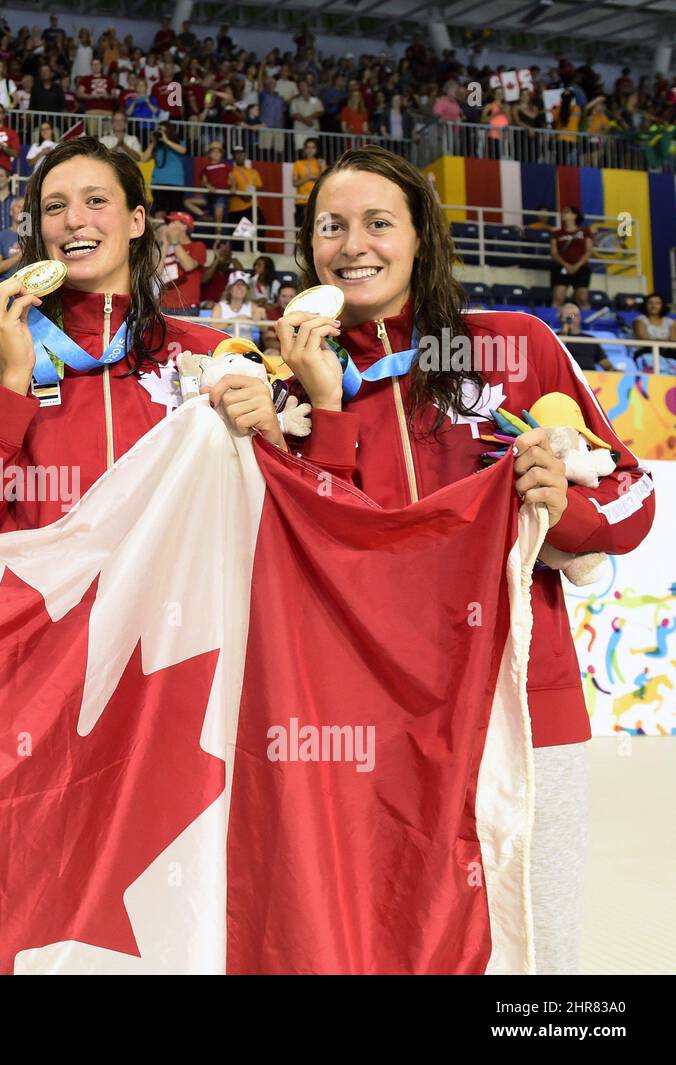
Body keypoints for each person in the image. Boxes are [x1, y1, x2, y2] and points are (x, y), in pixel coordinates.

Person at [280, 145, 654, 975]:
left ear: (422, 238)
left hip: (524, 706)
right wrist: (329, 409)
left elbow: (634, 495)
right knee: (384, 943)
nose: (354, 245)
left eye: (379, 223)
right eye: (330, 227)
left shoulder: (514, 346)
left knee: (533, 950)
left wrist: (568, 506)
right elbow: (306, 548)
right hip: (368, 724)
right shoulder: (295, 384)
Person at [0, 137, 270, 536]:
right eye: (55, 207)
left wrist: (272, 442)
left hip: (171, 598)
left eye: (96, 201)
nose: (74, 220)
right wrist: (12, 380)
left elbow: (257, 523)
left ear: (136, 221)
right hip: (38, 598)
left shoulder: (209, 352)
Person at [158, 212, 206, 314]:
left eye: (173, 222)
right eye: (169, 223)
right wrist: (166, 244)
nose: (169, 226)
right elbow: (156, 272)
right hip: (163, 305)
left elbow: (188, 266)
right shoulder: (164, 248)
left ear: (184, 227)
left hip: (187, 307)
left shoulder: (198, 246)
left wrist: (175, 242)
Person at [551, 205, 593, 309]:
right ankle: (553, 323)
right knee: (558, 297)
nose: (564, 214)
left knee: (582, 298)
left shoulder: (585, 232)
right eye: (563, 212)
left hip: (581, 268)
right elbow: (554, 252)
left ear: (575, 215)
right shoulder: (557, 233)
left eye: (567, 212)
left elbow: (588, 251)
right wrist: (566, 265)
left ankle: (584, 323)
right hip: (561, 267)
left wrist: (577, 266)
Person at [142, 122, 188, 217]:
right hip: (158, 183)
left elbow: (183, 150)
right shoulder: (157, 146)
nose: (161, 132)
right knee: (160, 211)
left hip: (175, 183)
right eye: (159, 130)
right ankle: (160, 231)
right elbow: (144, 159)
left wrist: (166, 140)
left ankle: (174, 231)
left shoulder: (179, 142)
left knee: (175, 212)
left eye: (163, 130)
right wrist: (152, 142)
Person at [633, 292, 676, 373]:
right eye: (650, 303)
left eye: (657, 303)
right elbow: (643, 340)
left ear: (662, 305)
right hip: (647, 351)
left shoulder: (671, 322)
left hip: (667, 352)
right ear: (645, 305)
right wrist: (663, 343)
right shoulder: (639, 320)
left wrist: (659, 342)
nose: (654, 306)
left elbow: (673, 342)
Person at [0, 198, 25, 282]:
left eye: (25, 208)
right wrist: (20, 255)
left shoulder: (35, 236)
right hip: (7, 286)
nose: (22, 210)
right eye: (19, 207)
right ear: (11, 211)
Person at [292, 137, 325, 228]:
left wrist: (322, 168)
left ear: (316, 150)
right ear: (305, 149)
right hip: (301, 201)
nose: (310, 150)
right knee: (300, 231)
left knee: (316, 231)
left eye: (313, 148)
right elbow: (295, 183)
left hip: (316, 201)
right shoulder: (298, 163)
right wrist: (309, 177)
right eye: (308, 147)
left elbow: (325, 182)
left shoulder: (320, 163)